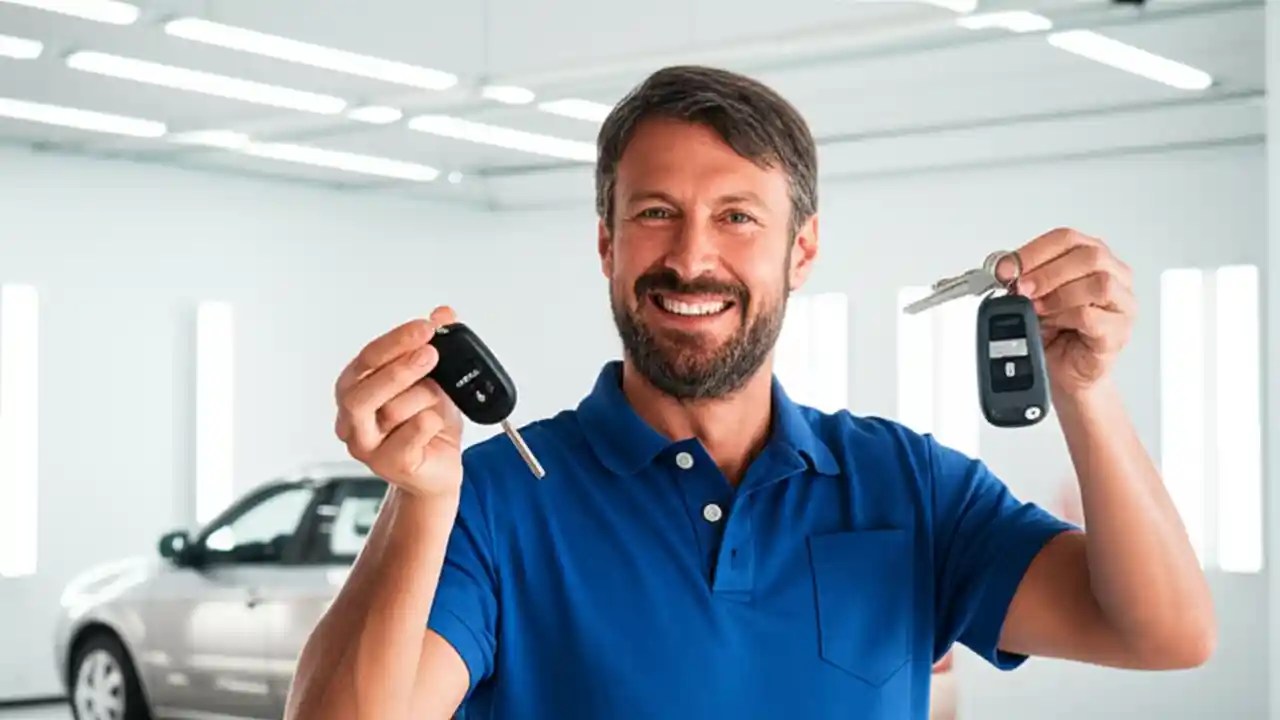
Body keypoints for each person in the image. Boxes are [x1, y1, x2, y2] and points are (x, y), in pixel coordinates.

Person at [284, 65, 1215, 720]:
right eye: (656, 214)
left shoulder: (911, 486)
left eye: (737, 217)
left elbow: (1166, 633)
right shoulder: (490, 498)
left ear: (799, 250)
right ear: (607, 242)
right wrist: (421, 499)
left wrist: (1088, 395)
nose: (692, 258)